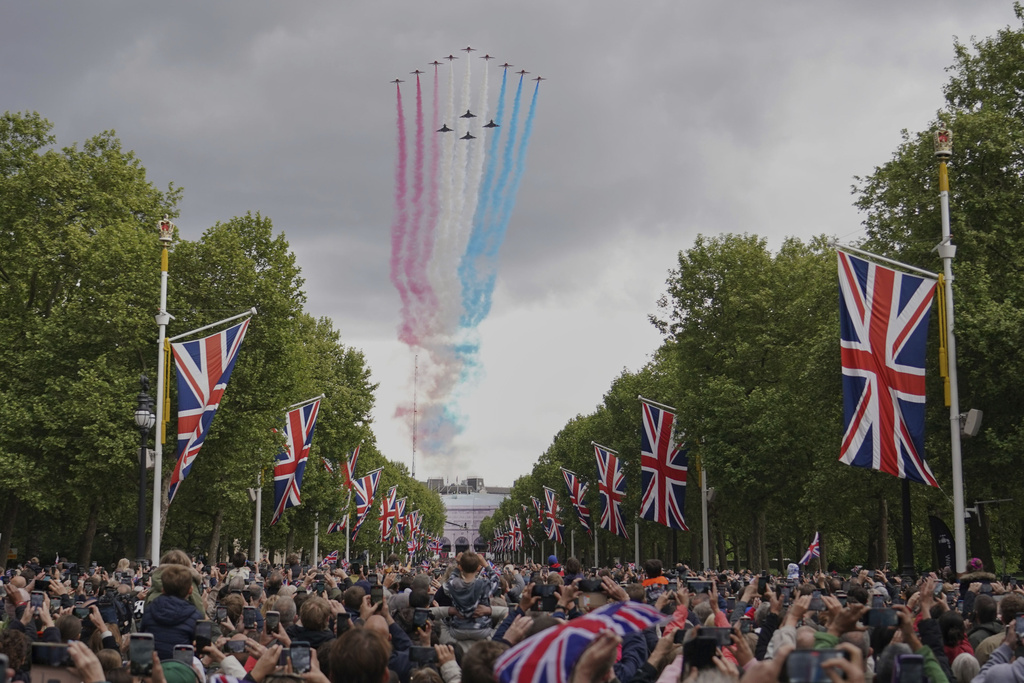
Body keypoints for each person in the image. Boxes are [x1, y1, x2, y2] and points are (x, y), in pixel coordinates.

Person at [139, 563, 202, 661]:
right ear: (190, 590)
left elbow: (141, 637)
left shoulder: (149, 610)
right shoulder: (195, 615)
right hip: (183, 666)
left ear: (163, 590)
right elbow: (200, 649)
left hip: (153, 665)